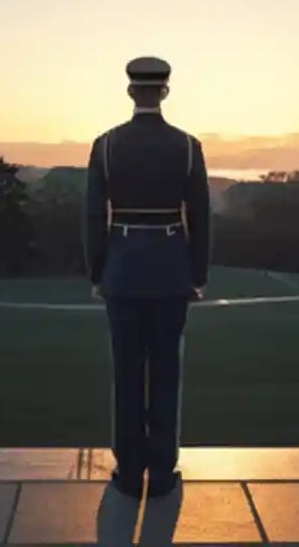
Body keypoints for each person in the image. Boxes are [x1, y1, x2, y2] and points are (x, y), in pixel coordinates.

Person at [85, 55, 211, 499]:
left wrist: (98, 271)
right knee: (165, 372)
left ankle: (128, 474)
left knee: (126, 373)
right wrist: (198, 272)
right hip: (171, 271)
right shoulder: (187, 146)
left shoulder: (105, 146)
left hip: (121, 271)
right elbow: (199, 216)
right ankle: (160, 474)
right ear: (165, 91)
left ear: (130, 91)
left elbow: (93, 216)